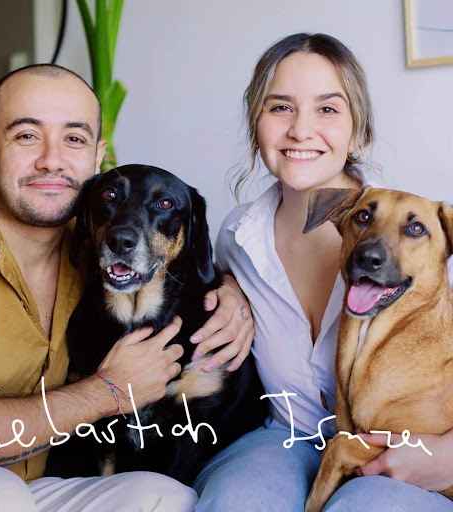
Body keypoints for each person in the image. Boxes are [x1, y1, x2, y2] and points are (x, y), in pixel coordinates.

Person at [0, 64, 253, 512]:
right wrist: (106, 391)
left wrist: (233, 291)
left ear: (96, 156)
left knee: (166, 498)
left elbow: (167, 250)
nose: (52, 159)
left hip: (41, 484)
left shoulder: (90, 237)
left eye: (73, 138)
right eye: (26, 136)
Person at [193, 33, 453, 511]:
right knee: (238, 501)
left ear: (359, 131)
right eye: (280, 108)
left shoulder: (423, 239)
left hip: (405, 451)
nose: (300, 129)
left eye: (328, 110)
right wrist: (227, 289)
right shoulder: (236, 235)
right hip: (282, 438)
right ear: (256, 124)